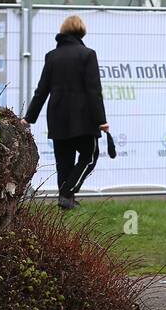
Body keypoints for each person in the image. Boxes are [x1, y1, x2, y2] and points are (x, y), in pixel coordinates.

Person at [23, 15, 109, 209]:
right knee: (89, 156)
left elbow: (41, 90)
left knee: (64, 161)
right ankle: (68, 192)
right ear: (81, 31)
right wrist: (101, 120)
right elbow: (94, 91)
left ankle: (65, 200)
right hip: (84, 120)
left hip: (57, 118)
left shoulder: (52, 56)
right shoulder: (88, 55)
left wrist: (29, 118)